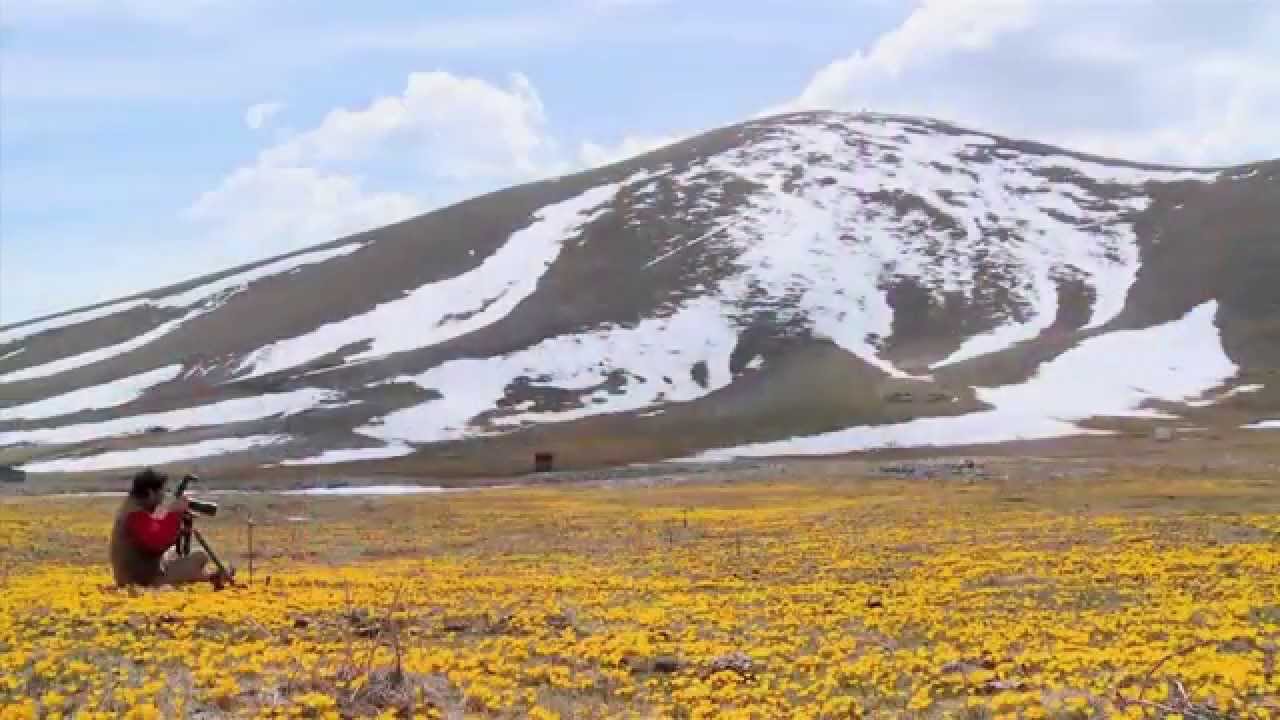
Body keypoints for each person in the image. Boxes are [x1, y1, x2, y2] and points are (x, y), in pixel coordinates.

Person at [109, 467, 231, 588]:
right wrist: (174, 515)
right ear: (151, 493)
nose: (163, 497)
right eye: (162, 492)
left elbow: (154, 524)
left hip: (139, 573)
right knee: (199, 558)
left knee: (181, 555)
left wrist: (176, 521)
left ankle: (210, 577)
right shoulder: (135, 515)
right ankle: (211, 577)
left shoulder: (134, 508)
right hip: (140, 579)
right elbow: (157, 542)